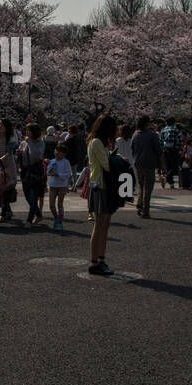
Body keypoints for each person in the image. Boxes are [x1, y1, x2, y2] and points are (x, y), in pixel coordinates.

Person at [86, 114, 119, 276]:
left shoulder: (98, 142)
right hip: (100, 186)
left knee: (104, 224)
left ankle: (100, 259)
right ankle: (95, 261)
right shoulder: (97, 142)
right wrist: (118, 161)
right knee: (100, 225)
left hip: (102, 186)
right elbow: (106, 165)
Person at [130, 116, 162, 219]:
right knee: (148, 187)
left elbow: (132, 149)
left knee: (141, 185)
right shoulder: (152, 135)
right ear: (147, 124)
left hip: (138, 163)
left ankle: (139, 205)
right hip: (149, 163)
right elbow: (158, 150)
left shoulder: (135, 135)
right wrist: (163, 164)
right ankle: (145, 209)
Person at [17, 123, 46, 224]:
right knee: (27, 196)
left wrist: (29, 143)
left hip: (35, 171)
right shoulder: (23, 142)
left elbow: (36, 156)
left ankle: (29, 220)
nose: (26, 132)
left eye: (28, 130)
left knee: (33, 196)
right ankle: (38, 214)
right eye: (26, 130)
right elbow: (21, 155)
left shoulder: (40, 143)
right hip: (25, 171)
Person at [46, 143, 73, 231]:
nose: (57, 153)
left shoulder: (66, 162)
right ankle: (56, 217)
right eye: (56, 151)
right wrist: (50, 171)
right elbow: (47, 172)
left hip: (62, 185)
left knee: (60, 203)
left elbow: (68, 174)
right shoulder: (52, 161)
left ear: (64, 154)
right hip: (53, 185)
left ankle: (59, 221)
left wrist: (59, 174)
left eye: (59, 152)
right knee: (51, 205)